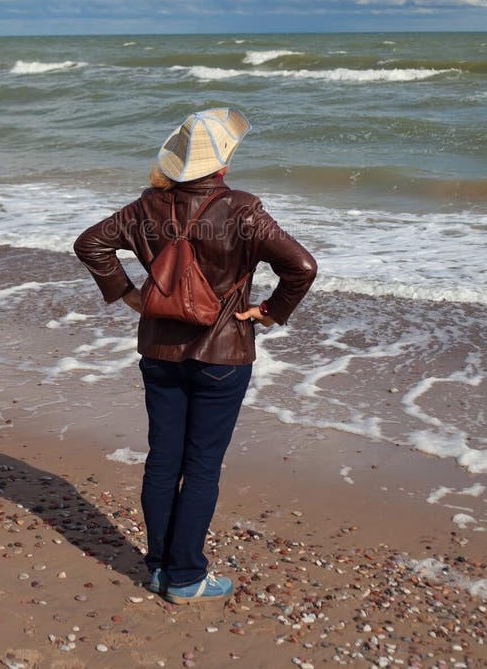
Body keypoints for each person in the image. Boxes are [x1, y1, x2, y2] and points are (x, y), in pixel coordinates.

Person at [73, 107, 317, 603]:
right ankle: (185, 578)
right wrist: (269, 312)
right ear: (223, 164)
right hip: (223, 357)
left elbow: (90, 243)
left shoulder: (146, 207)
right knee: (201, 464)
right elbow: (303, 267)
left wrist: (128, 294)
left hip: (159, 350)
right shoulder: (243, 208)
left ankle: (162, 566)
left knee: (163, 458)